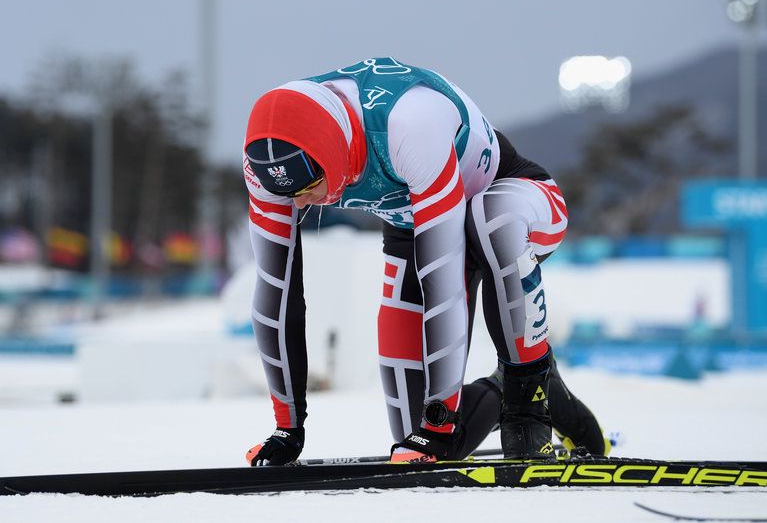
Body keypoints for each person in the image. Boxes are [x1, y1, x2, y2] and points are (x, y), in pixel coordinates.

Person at [242, 57, 607, 465]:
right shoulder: (272, 160)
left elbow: (445, 286)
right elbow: (276, 293)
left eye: (310, 185)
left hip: (518, 198)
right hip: (415, 226)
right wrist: (287, 428)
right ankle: (514, 390)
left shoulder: (409, 123)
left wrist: (439, 422)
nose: (299, 201)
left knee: (490, 219)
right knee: (411, 439)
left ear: (334, 151)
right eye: (286, 193)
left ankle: (529, 390)